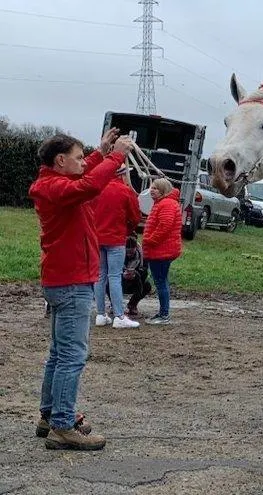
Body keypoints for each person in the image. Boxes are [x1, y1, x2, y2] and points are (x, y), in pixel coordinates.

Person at [28, 129, 134, 450]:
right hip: (73, 282)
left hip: (62, 280)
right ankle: (62, 423)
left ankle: (50, 416)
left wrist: (101, 153)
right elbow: (89, 185)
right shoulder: (60, 187)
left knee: (59, 354)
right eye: (77, 157)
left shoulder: (53, 183)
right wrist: (115, 155)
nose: (83, 161)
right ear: (61, 161)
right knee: (73, 356)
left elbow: (85, 176)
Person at [93, 165, 141, 329]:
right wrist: (127, 230)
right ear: (122, 174)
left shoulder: (97, 188)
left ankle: (100, 314)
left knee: (100, 276)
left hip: (97, 237)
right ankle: (119, 315)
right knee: (114, 276)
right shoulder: (125, 191)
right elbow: (135, 216)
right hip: (116, 238)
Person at [142, 178, 182, 325]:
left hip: (161, 251)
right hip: (161, 250)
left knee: (160, 282)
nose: (152, 190)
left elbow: (164, 226)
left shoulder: (166, 204)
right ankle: (163, 312)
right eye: (152, 187)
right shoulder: (164, 203)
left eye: (156, 188)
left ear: (163, 191)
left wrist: (150, 240)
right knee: (161, 281)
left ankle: (164, 314)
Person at [105, 234, 152, 317]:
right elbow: (112, 270)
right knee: (108, 282)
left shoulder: (142, 256)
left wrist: (136, 274)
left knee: (147, 285)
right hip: (121, 281)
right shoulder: (119, 254)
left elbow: (145, 272)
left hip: (136, 282)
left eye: (132, 252)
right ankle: (114, 304)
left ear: (136, 249)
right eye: (128, 252)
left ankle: (132, 305)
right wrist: (123, 274)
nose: (129, 254)